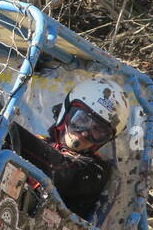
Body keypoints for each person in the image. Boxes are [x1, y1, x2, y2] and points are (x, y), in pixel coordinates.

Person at [37, 76, 128, 219]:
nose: (85, 133)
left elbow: (59, 171)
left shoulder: (95, 170)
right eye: (82, 119)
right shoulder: (41, 143)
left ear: (105, 140)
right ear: (67, 113)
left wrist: (13, 133)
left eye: (98, 131)